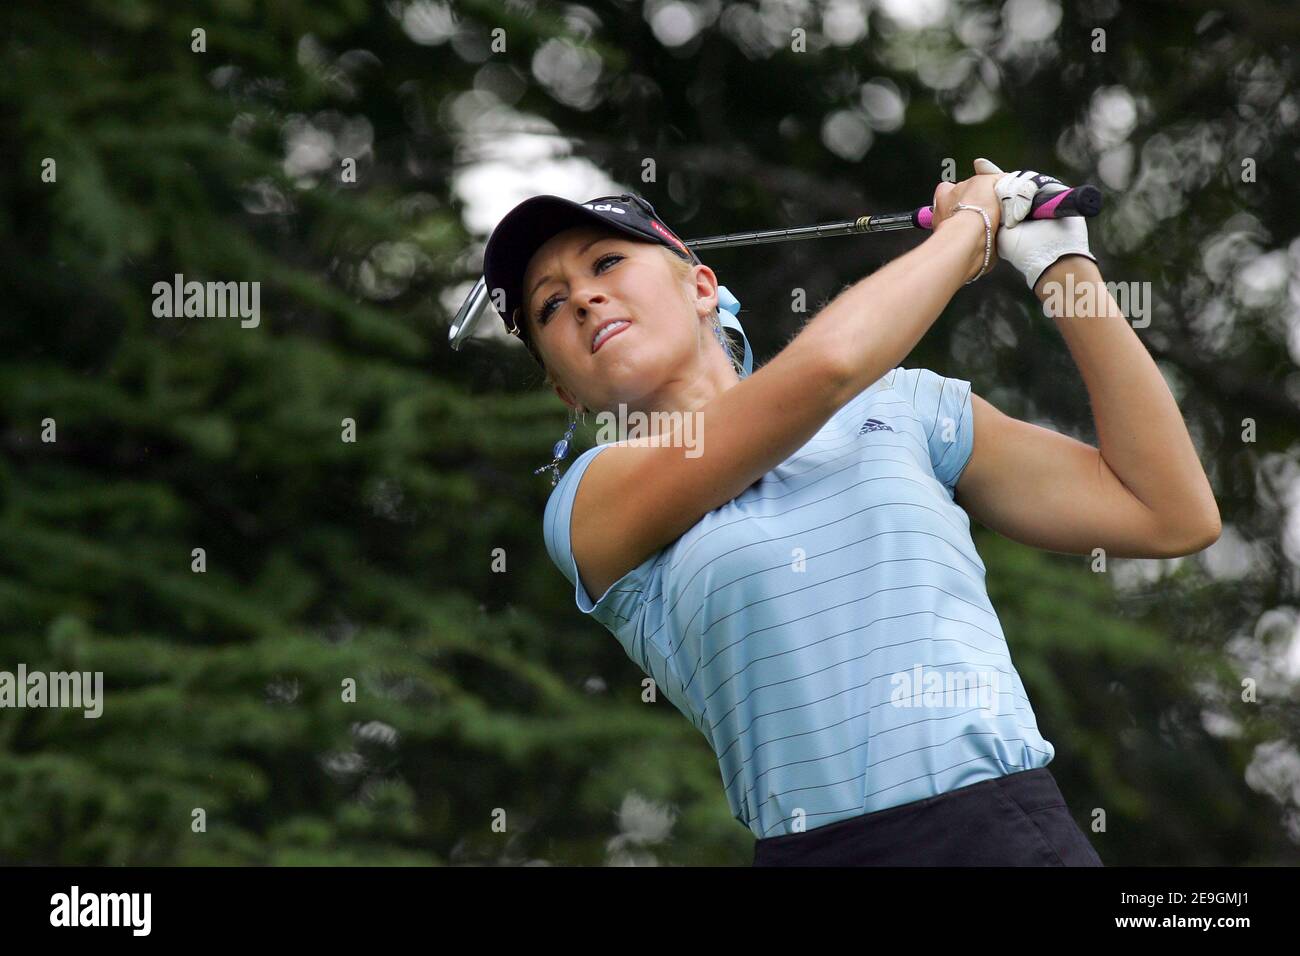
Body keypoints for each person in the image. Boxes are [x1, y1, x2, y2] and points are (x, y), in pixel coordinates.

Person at [480, 164, 1221, 865]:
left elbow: (1168, 513)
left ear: (703, 287)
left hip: (1003, 830)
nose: (581, 297)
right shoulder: (589, 502)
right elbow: (827, 368)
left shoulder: (904, 405)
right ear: (569, 397)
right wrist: (971, 230)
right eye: (549, 304)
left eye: (606, 264)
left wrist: (1060, 269)